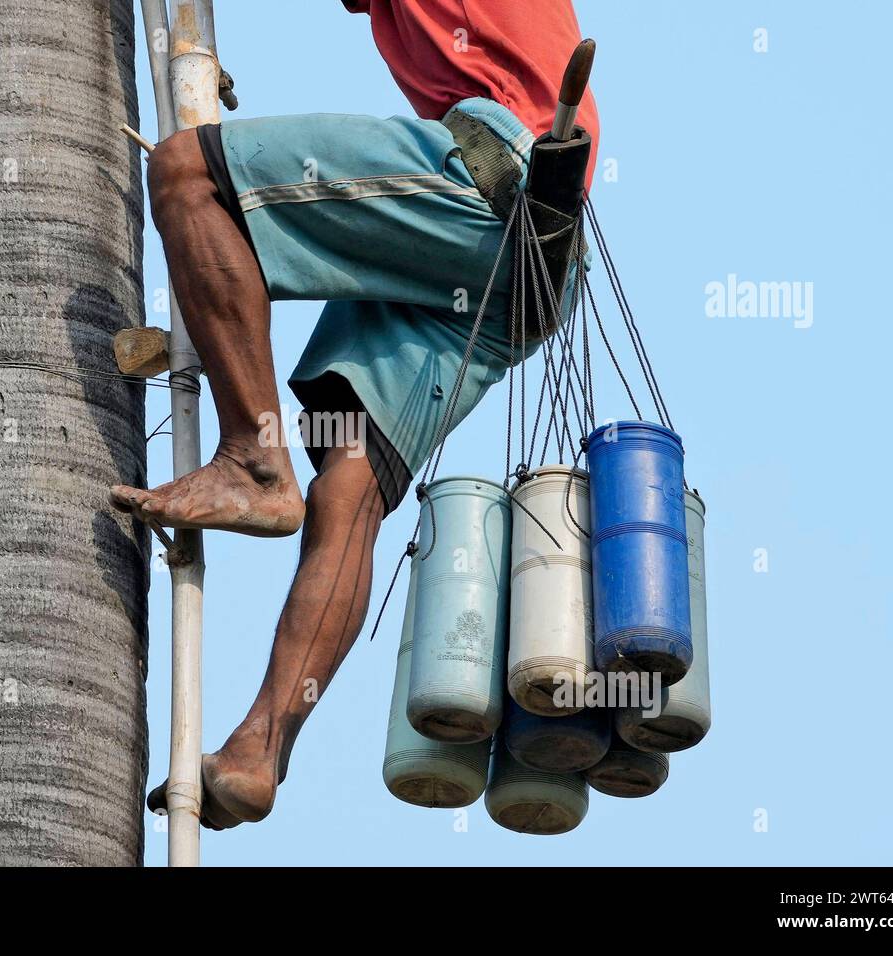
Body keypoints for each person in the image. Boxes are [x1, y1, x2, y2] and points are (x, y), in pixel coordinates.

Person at [112, 0, 600, 829]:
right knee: (351, 483)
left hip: (492, 178)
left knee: (189, 174)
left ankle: (253, 462)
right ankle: (258, 755)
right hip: (531, 273)